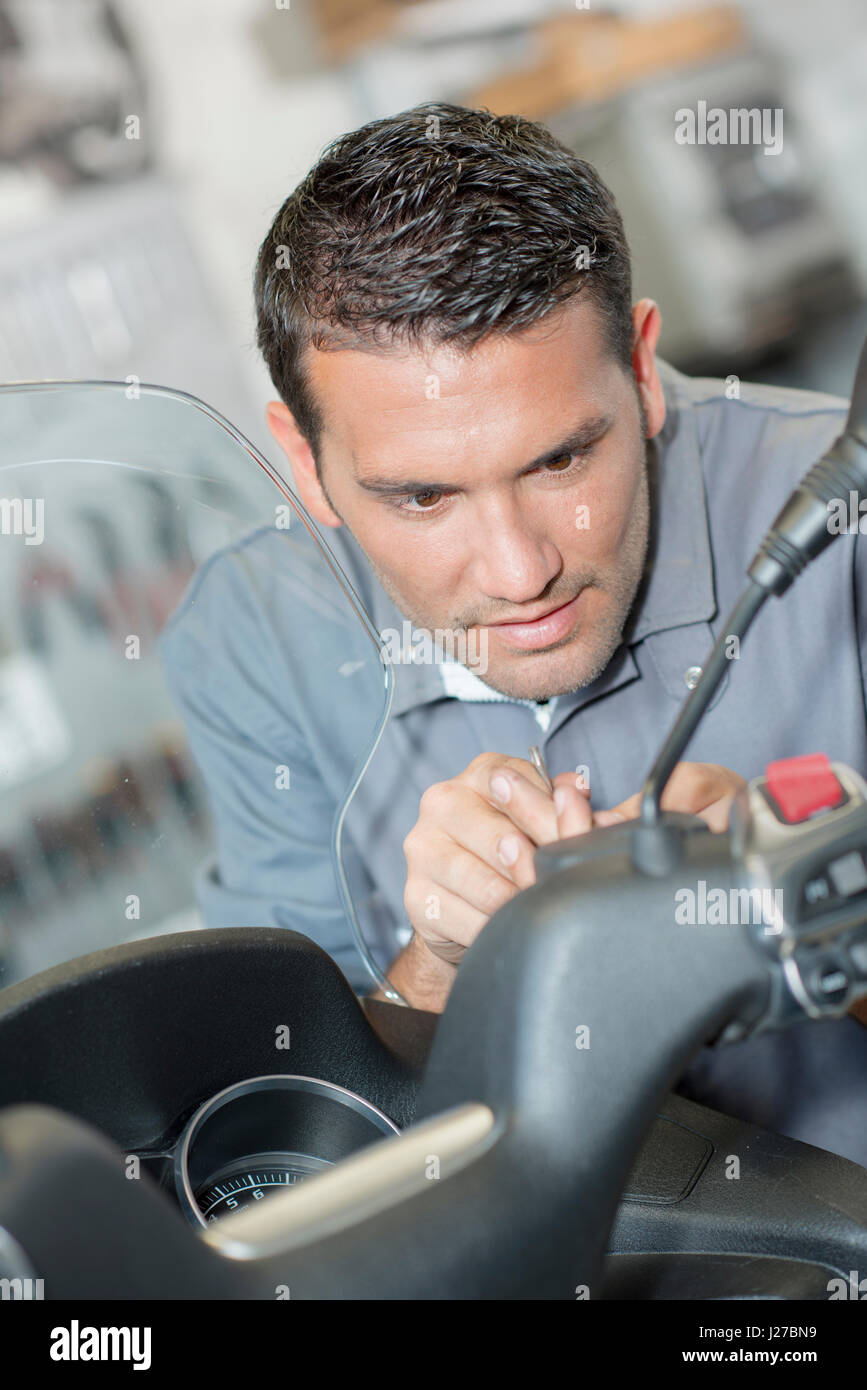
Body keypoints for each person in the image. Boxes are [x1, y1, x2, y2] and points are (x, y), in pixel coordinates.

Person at [161, 103, 867, 1165]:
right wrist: (441, 965)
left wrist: (809, 891)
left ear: (639, 370)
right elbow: (265, 1153)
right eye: (422, 497)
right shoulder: (258, 635)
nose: (519, 568)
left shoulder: (843, 530)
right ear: (304, 463)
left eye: (561, 462)